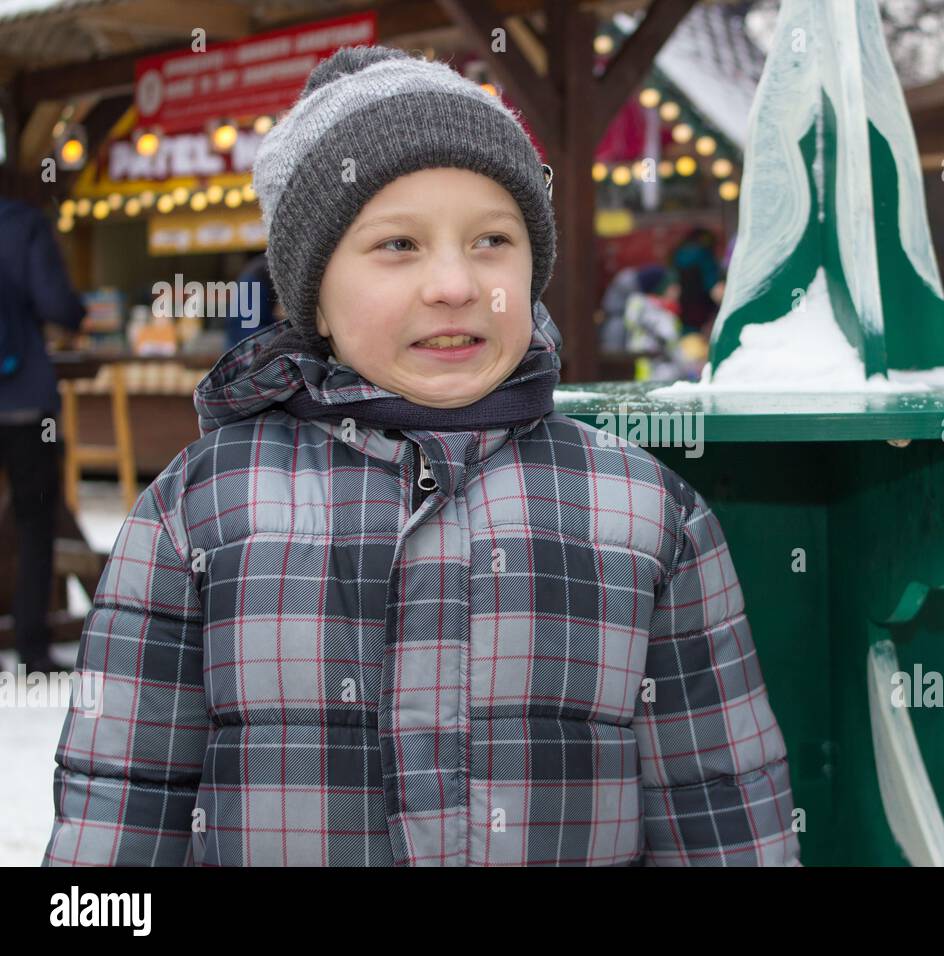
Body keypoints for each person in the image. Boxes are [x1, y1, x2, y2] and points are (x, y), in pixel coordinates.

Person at [42, 45, 799, 868]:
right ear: (314, 303)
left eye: (491, 241)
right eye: (398, 245)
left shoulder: (647, 513)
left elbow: (722, 800)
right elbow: (120, 801)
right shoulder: (201, 507)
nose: (453, 285)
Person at [0, 194, 86, 676]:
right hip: (25, 403)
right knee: (35, 523)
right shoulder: (24, 223)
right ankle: (31, 648)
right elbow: (58, 304)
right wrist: (77, 315)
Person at [671, 227, 721, 332]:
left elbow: (673, 282)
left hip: (683, 306)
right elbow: (711, 284)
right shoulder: (704, 254)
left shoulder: (679, 253)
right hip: (701, 306)